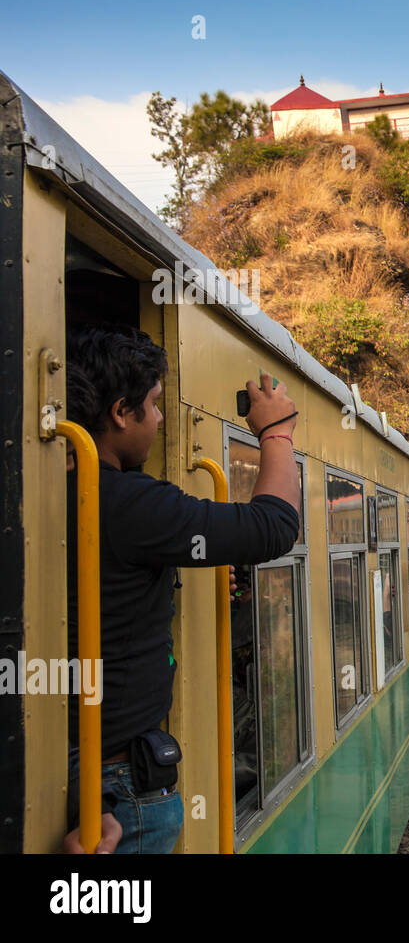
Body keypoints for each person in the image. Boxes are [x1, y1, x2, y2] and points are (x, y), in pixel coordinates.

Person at [62, 324, 300, 854]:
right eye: (153, 403)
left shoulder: (49, 492)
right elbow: (275, 526)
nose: (162, 418)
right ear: (121, 413)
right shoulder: (126, 502)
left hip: (80, 773)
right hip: (123, 792)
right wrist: (277, 433)